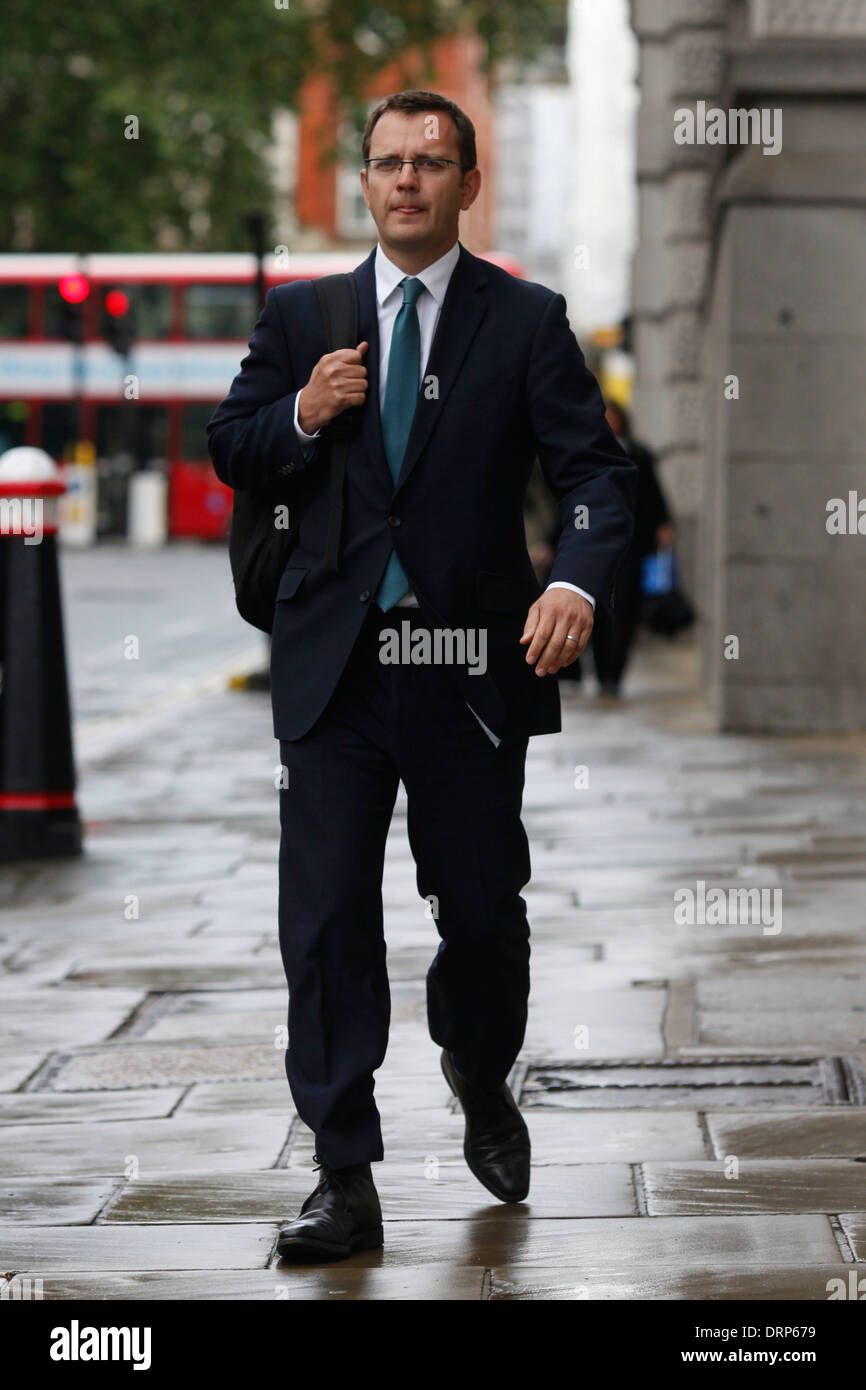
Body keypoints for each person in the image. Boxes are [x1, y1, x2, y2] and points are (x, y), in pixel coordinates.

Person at [207, 89, 636, 1262]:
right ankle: (343, 1174)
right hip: (335, 673)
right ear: (364, 183)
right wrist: (301, 411)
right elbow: (231, 445)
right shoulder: (303, 318)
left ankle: (478, 1068)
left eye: (430, 163)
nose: (407, 181)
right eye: (388, 163)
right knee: (327, 918)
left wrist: (576, 584)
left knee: (483, 915)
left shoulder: (526, 320)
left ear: (465, 185)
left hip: (465, 672)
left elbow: (596, 479)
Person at [589, 400, 673, 695]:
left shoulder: (640, 454)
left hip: (633, 544)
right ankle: (601, 673)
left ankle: (614, 675)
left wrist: (663, 525)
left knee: (624, 611)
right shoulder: (587, 451)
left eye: (614, 416)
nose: (610, 421)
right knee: (598, 610)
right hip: (596, 544)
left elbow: (654, 494)